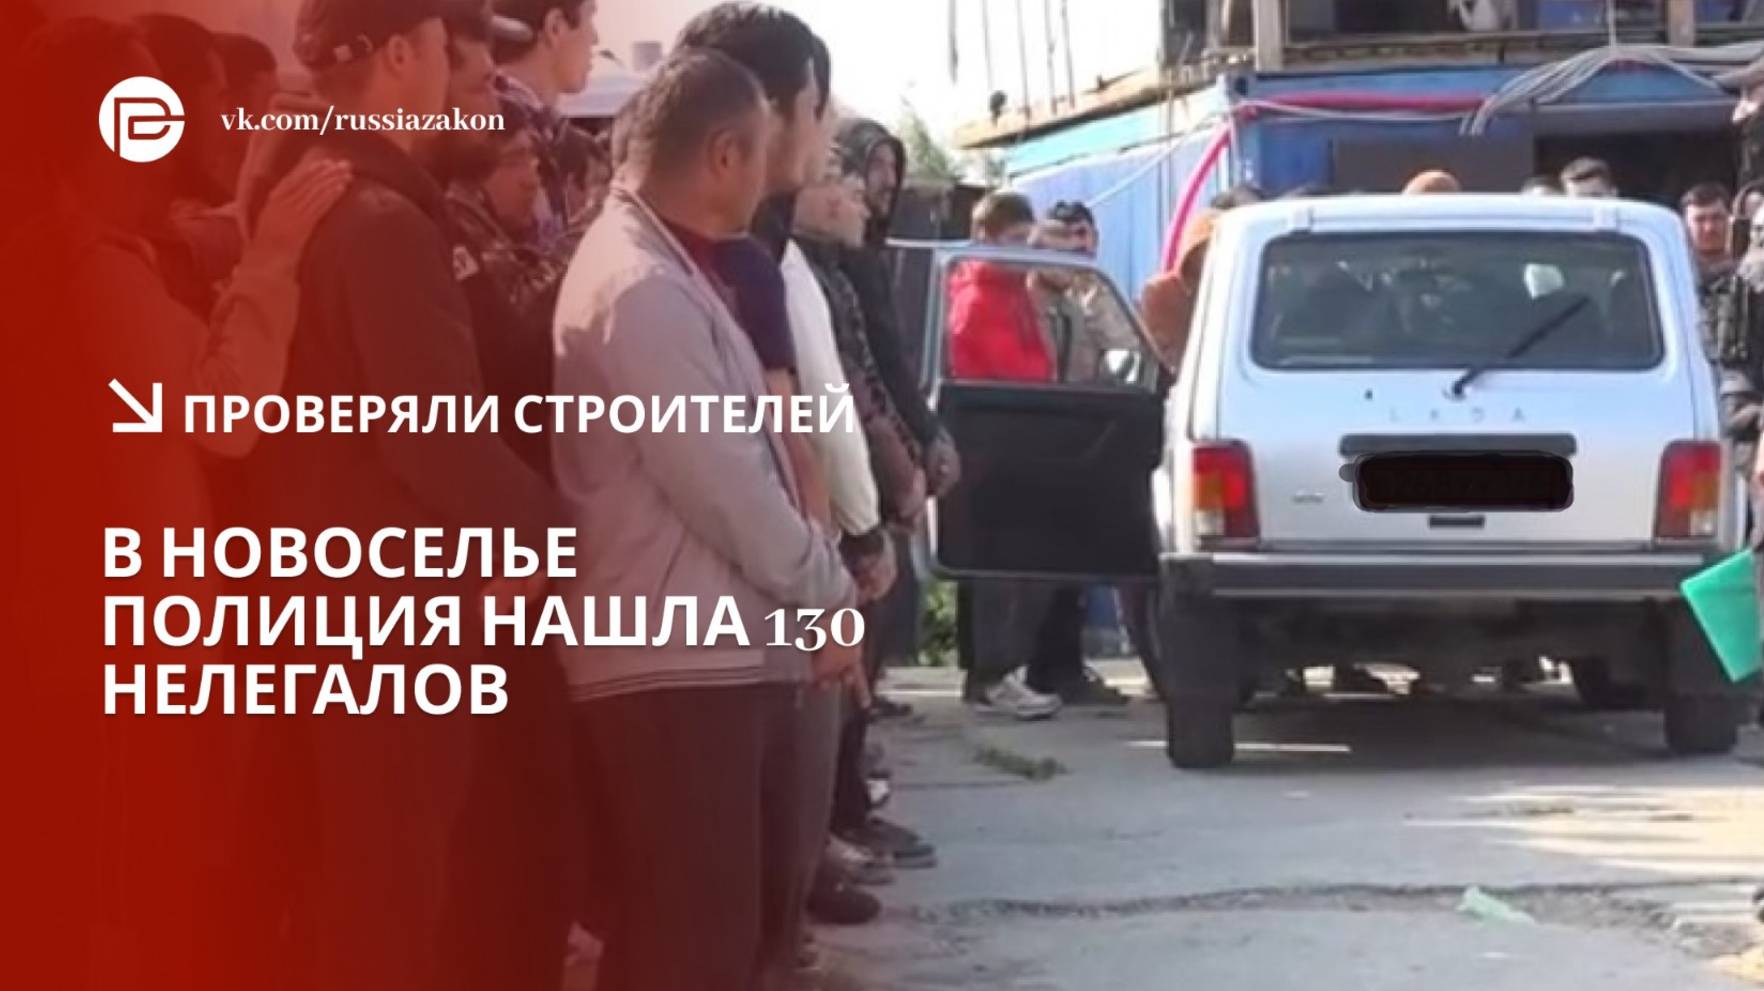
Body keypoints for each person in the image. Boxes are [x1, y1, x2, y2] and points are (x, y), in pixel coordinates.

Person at [10, 18, 349, 987]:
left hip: (93, 635)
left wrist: (246, 218)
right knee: (139, 898)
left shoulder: (73, 248)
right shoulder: (98, 275)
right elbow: (226, 412)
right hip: (125, 653)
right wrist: (274, 255)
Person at [239, 2, 564, 988]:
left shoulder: (330, 193)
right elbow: (437, 439)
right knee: (387, 902)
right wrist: (553, 532)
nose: (459, 67)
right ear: (398, 55)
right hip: (389, 624)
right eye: (440, 45)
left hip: (348, 610)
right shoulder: (378, 219)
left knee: (370, 893)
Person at [554, 49, 858, 990]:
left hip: (698, 654)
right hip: (671, 666)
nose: (770, 176)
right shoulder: (640, 287)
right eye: (761, 151)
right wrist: (828, 589)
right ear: (724, 155)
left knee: (708, 938)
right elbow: (727, 485)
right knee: (690, 944)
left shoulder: (668, 268)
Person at [492, 0, 601, 250]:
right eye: (590, 17)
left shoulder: (551, 133)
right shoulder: (500, 132)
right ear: (555, 27)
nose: (595, 38)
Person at [1684, 182, 1735, 272]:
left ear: (1730, 220)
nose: (1709, 228)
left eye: (1717, 218)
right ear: (1685, 224)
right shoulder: (1674, 268)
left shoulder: (1751, 267)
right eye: (1699, 220)